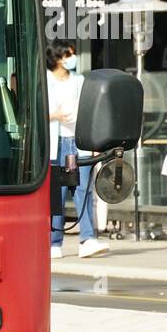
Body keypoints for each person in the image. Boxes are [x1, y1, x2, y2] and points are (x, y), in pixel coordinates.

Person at [47, 40, 108, 259]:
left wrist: (93, 143)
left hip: (77, 140)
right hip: (57, 142)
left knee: (83, 189)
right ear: (56, 58)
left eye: (72, 54)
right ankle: (54, 242)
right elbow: (35, 111)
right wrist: (55, 116)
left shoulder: (79, 81)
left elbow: (90, 110)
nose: (71, 58)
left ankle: (88, 239)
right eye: (67, 54)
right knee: (58, 194)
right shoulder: (45, 80)